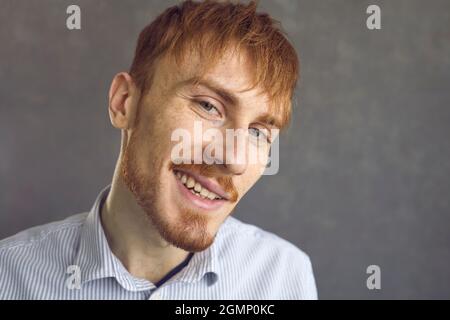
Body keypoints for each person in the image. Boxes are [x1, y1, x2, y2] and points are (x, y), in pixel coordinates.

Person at [0, 0, 317, 299]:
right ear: (124, 102)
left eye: (258, 132)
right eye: (208, 106)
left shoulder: (284, 278)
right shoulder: (10, 277)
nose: (234, 159)